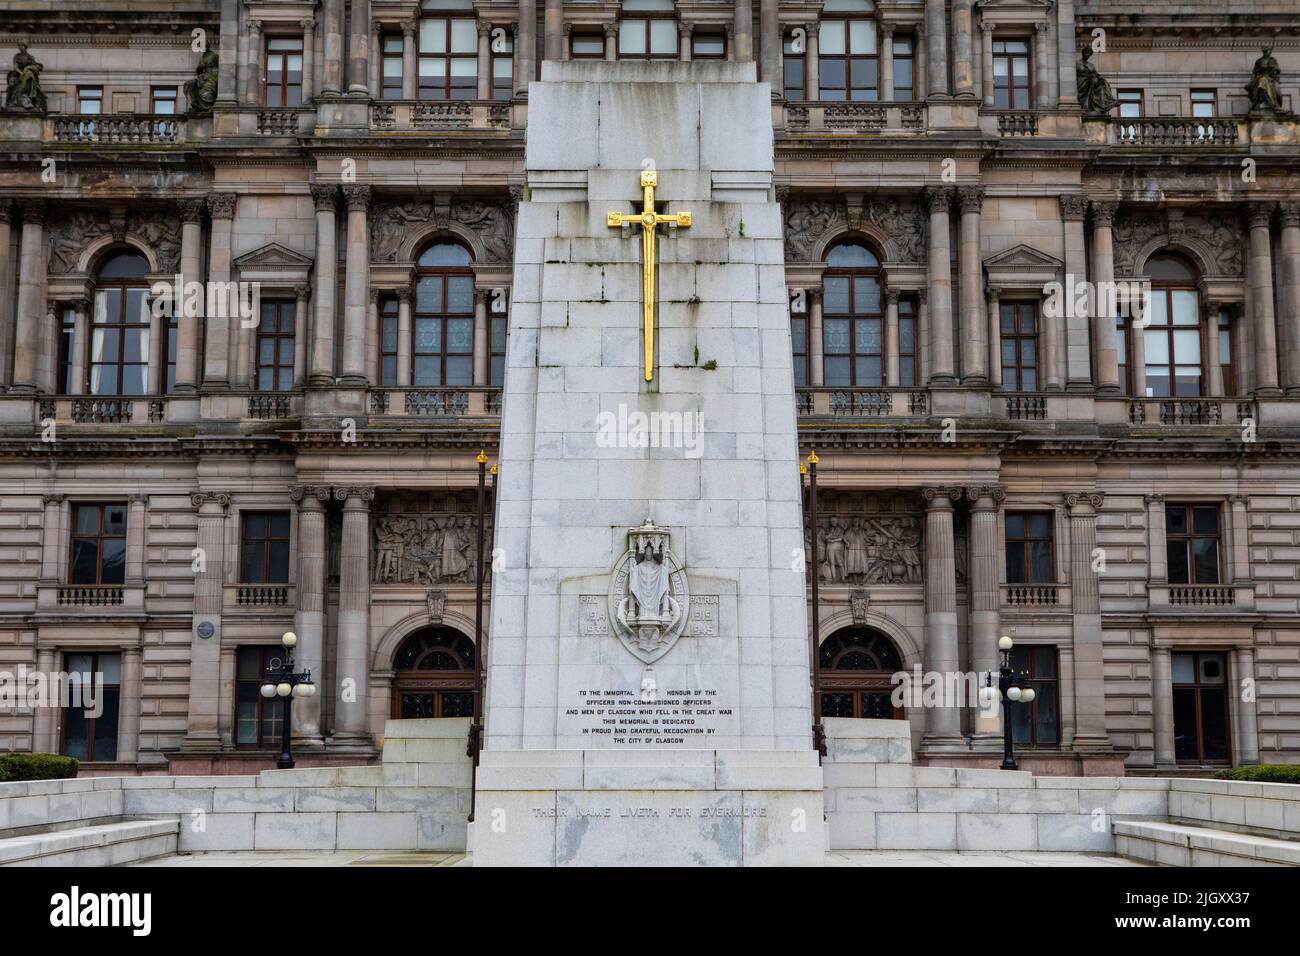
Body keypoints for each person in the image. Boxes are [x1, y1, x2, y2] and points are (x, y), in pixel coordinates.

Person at [1076, 46, 1118, 116]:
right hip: (1082, 82)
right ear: (1083, 53)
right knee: (1093, 80)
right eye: (1086, 53)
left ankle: (1104, 104)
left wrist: (1100, 77)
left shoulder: (1091, 65)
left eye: (1089, 54)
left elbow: (1096, 74)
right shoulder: (1077, 63)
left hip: (1091, 81)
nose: (1087, 55)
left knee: (1102, 84)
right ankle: (1088, 105)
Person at [1246, 47, 1282, 113]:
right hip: (1261, 77)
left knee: (1265, 82)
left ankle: (1272, 103)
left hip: (1271, 78)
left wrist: (1274, 68)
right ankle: (1265, 101)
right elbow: (1254, 71)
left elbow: (1278, 70)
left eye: (1268, 51)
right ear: (1264, 52)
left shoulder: (1272, 60)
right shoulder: (1259, 61)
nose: (1268, 52)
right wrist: (1261, 69)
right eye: (1266, 51)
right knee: (1262, 80)